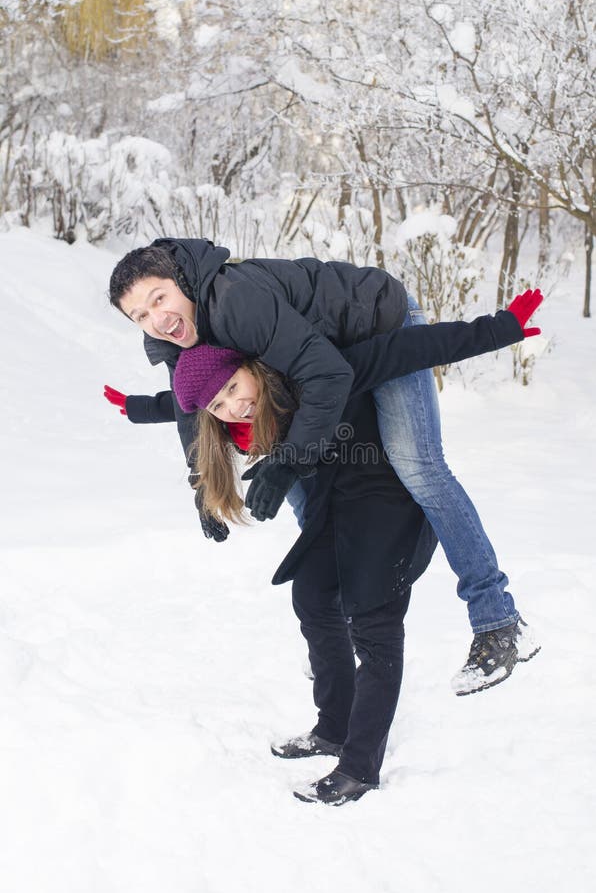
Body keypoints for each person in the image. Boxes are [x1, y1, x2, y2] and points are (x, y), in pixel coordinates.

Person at [107, 238, 542, 693]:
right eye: (140, 315)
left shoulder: (236, 300)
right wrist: (202, 486)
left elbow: (329, 374)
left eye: (160, 298)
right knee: (309, 499)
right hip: (318, 361)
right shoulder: (171, 335)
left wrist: (291, 458)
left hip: (379, 326)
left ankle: (499, 620)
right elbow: (189, 403)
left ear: (181, 283)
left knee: (418, 467)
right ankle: (332, 641)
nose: (157, 318)